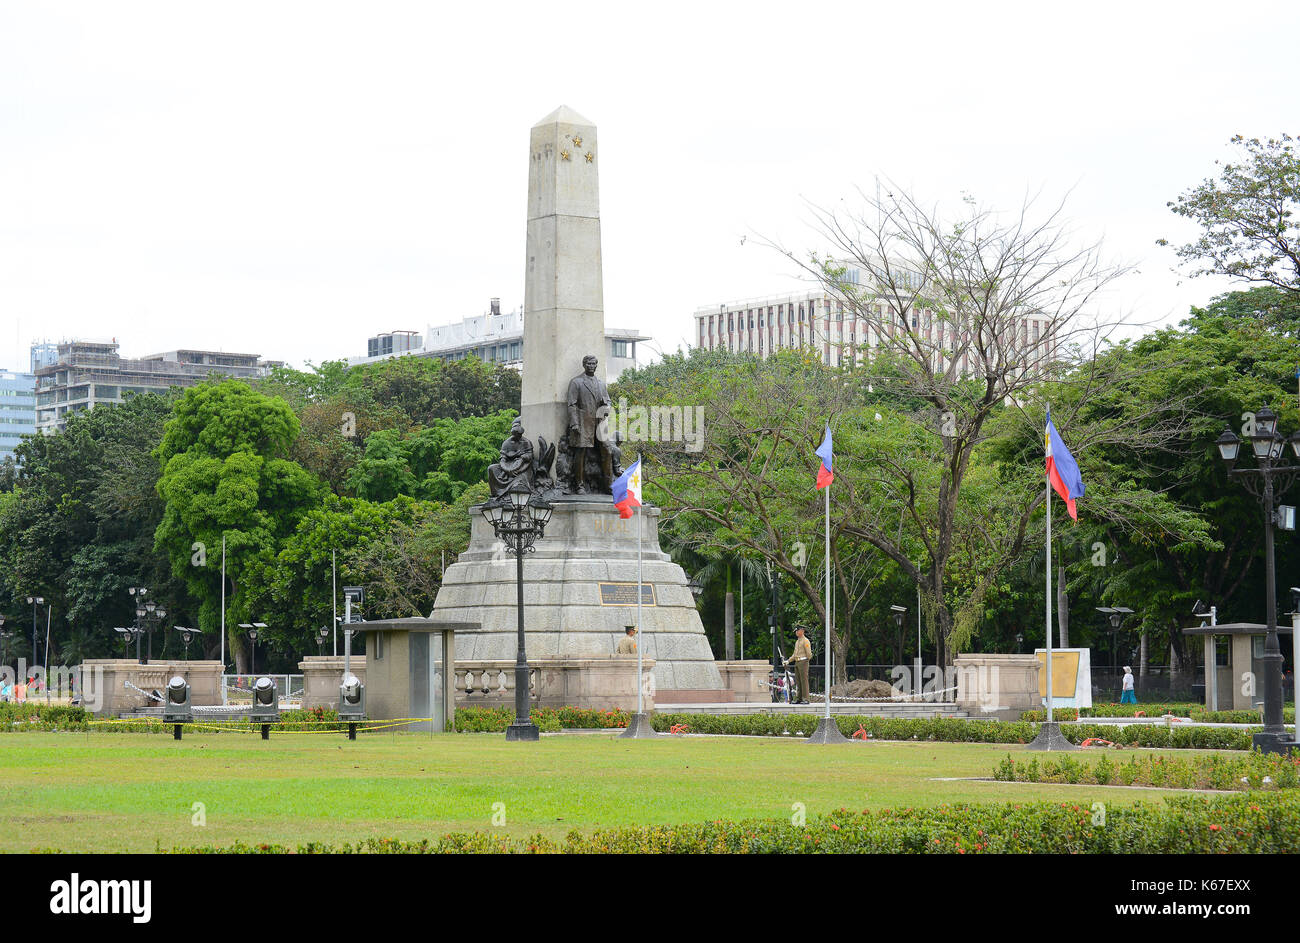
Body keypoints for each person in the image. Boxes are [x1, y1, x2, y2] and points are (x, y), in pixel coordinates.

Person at [786, 626, 812, 704]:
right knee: (798, 681)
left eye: (797, 631)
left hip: (803, 661)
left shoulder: (805, 641)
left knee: (804, 681)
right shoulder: (797, 642)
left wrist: (806, 660)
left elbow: (809, 654)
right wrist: (788, 661)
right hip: (797, 662)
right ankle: (799, 698)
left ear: (802, 631)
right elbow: (794, 654)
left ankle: (806, 699)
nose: (796, 632)